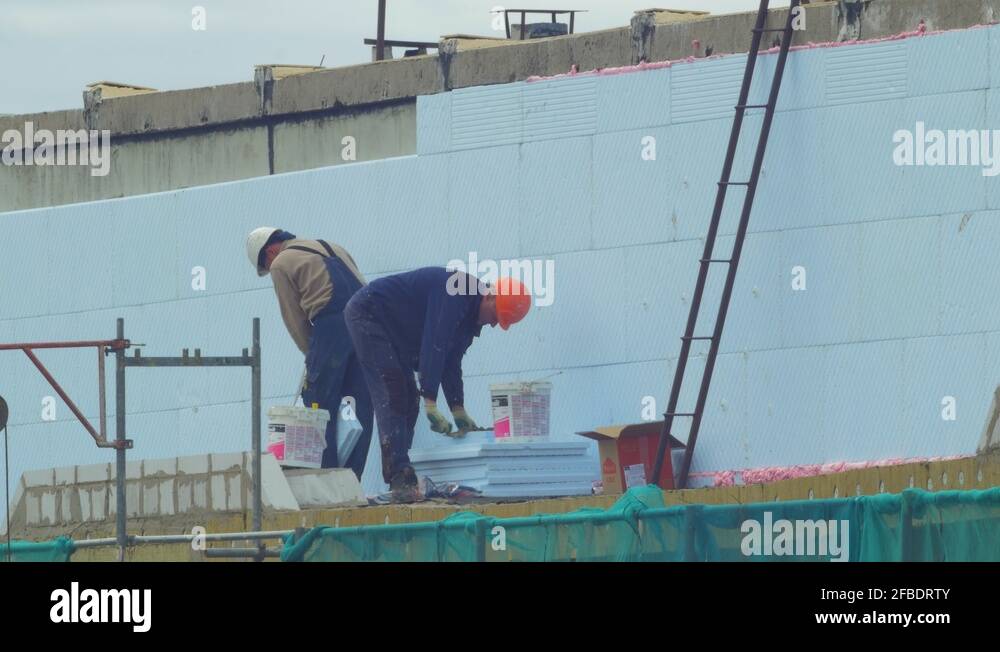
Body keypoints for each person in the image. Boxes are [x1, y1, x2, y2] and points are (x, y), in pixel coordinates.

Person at [344, 266, 531, 502]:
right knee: (393, 392)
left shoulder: (470, 315)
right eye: (496, 316)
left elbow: (451, 360)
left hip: (395, 328)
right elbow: (436, 343)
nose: (493, 324)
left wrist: (457, 408)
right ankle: (399, 476)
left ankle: (401, 473)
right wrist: (430, 401)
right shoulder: (456, 292)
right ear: (490, 295)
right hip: (369, 313)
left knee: (408, 399)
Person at [245, 227, 374, 478]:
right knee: (360, 405)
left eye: (266, 263)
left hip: (332, 326)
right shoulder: (333, 245)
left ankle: (327, 478)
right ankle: (352, 480)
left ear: (270, 251)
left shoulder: (281, 263)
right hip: (366, 325)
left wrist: (312, 355)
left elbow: (293, 318)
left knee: (318, 404)